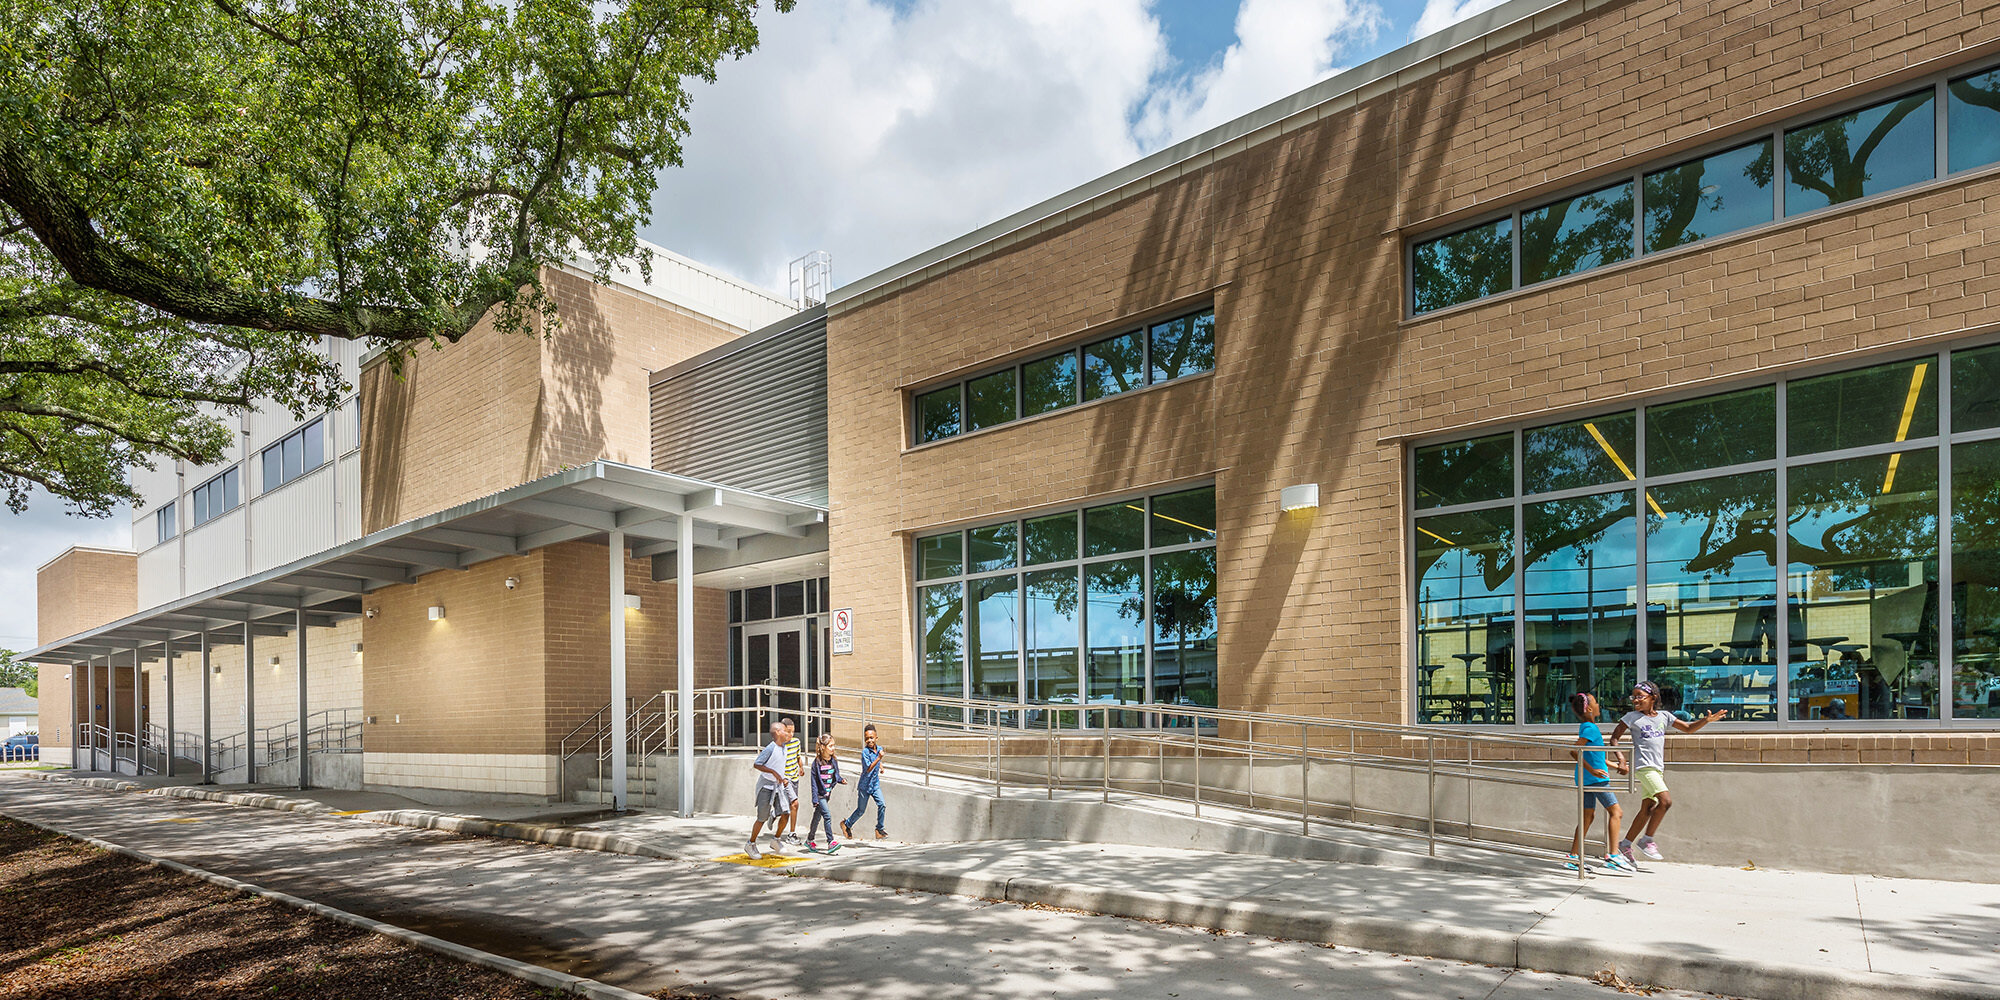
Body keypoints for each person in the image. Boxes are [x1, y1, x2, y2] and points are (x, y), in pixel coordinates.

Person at [1609, 680, 1725, 864]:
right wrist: (1621, 759)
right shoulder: (1631, 717)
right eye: (1633, 696)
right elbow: (1614, 738)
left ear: (1652, 698)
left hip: (1657, 768)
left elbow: (1688, 729)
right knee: (1666, 801)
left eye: (1640, 696)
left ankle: (1625, 844)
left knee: (1647, 809)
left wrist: (1706, 720)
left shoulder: (1664, 716)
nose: (1635, 700)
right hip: (1644, 767)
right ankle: (1647, 840)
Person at [1565, 692, 1634, 873]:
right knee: (1616, 812)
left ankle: (1573, 857)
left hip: (1588, 778)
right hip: (1595, 779)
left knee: (1588, 816)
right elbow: (1575, 751)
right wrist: (1592, 770)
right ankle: (1613, 855)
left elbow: (1597, 756)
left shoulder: (1588, 727)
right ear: (1589, 709)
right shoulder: (1590, 728)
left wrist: (1616, 765)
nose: (1598, 705)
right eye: (1595, 702)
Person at [744, 720, 792, 860]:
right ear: (777, 732)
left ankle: (776, 840)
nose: (788, 733)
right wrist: (773, 773)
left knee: (786, 812)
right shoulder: (771, 748)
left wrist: (783, 777)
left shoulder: (784, 747)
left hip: (778, 786)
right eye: (785, 730)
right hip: (766, 786)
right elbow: (757, 764)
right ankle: (750, 843)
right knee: (762, 818)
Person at [841, 723, 888, 840]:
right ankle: (847, 824)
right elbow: (868, 768)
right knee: (861, 811)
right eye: (866, 738)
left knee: (882, 804)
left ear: (876, 738)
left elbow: (878, 762)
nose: (869, 740)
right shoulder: (865, 753)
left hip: (875, 784)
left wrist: (881, 766)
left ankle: (879, 829)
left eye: (871, 738)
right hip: (864, 786)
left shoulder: (879, 749)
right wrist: (879, 759)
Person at [806, 733, 845, 852]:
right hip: (820, 795)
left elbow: (836, 775)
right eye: (831, 746)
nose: (833, 748)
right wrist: (815, 799)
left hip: (827, 794)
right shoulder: (816, 763)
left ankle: (809, 840)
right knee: (827, 816)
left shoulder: (833, 761)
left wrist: (840, 780)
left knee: (817, 818)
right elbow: (813, 783)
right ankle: (830, 842)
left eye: (834, 746)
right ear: (823, 747)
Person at [778, 717, 805, 845]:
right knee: (795, 804)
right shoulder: (779, 745)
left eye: (793, 732)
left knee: (789, 807)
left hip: (795, 778)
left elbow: (798, 756)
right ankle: (792, 834)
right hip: (785, 779)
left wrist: (801, 767)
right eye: (788, 732)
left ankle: (775, 814)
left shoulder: (796, 742)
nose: (791, 734)